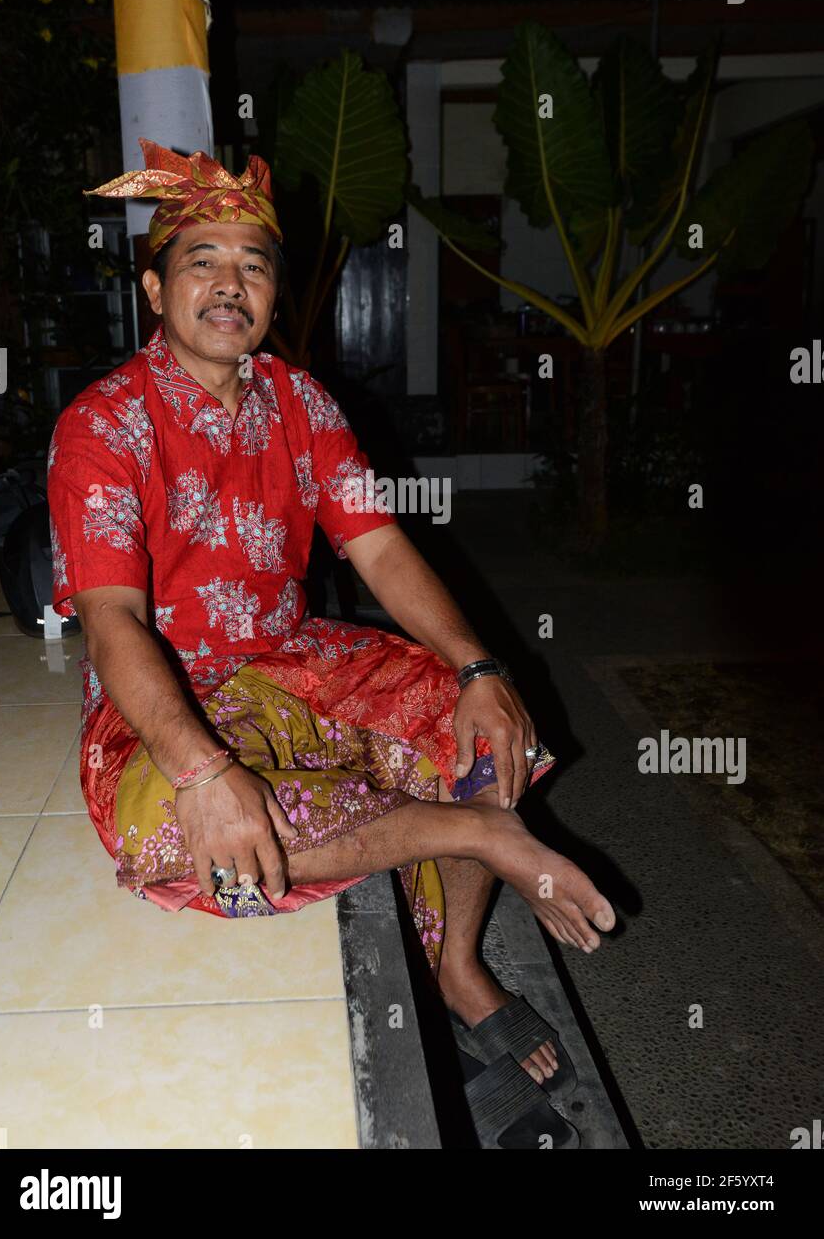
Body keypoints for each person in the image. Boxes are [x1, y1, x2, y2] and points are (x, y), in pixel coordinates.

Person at [47, 140, 615, 1124]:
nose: (232, 285)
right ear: (154, 287)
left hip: (297, 655)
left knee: (480, 724)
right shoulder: (104, 426)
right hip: (168, 685)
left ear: (272, 292)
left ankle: (457, 965)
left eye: (254, 266)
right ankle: (475, 830)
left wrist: (476, 664)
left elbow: (381, 549)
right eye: (203, 262)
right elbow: (111, 618)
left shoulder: (303, 404)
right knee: (166, 824)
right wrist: (198, 765)